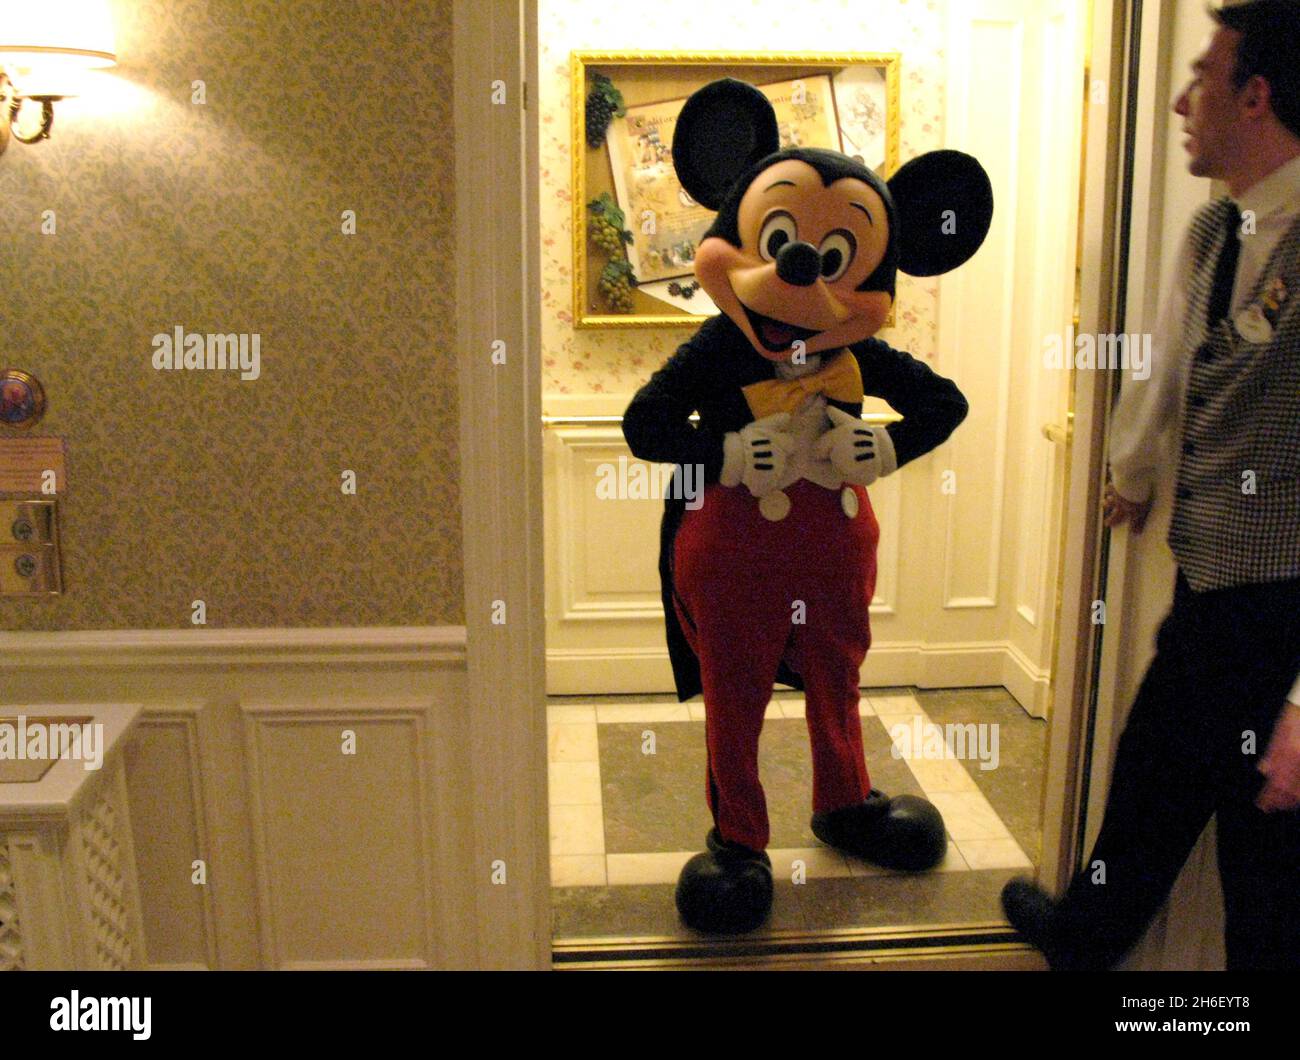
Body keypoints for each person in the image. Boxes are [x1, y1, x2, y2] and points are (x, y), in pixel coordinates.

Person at [1003, 0, 1300, 971]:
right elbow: (1165, 368)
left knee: (1269, 887)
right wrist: (1129, 473)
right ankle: (1080, 945)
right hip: (1206, 594)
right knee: (1141, 805)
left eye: (1201, 79)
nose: (1179, 101)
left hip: (1287, 616)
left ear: (1254, 97)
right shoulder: (1215, 231)